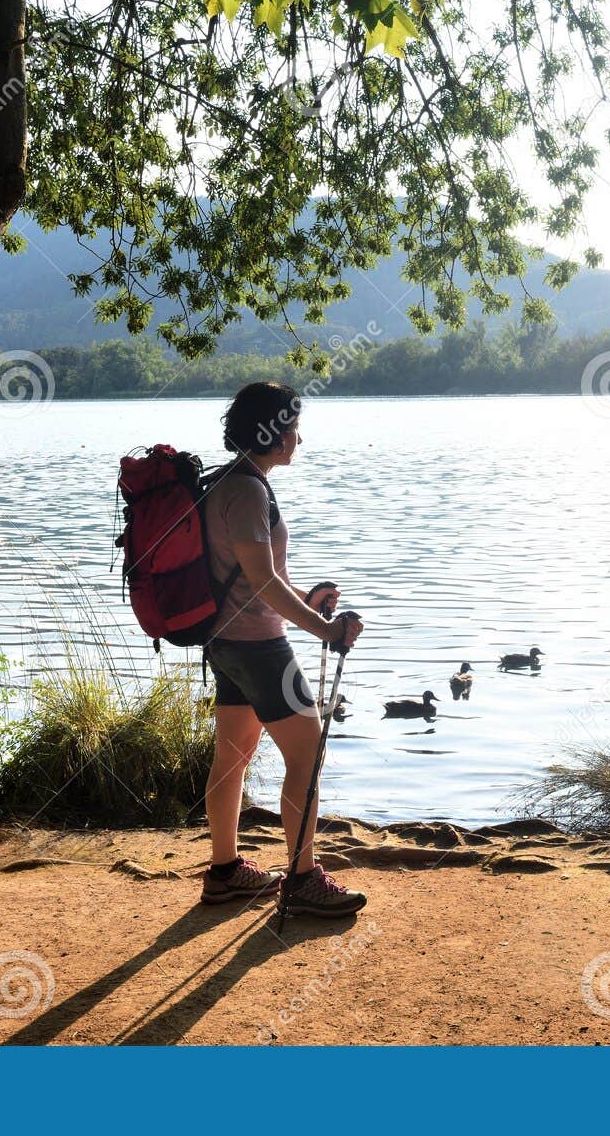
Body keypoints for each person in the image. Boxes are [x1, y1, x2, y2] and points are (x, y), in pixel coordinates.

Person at [199, 381, 367, 917]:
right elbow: (263, 584)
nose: (299, 437)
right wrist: (326, 631)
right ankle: (302, 877)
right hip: (258, 647)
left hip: (225, 642)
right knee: (307, 753)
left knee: (233, 758)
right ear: (271, 431)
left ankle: (225, 871)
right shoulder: (247, 490)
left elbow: (258, 580)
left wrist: (310, 603)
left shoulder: (225, 482)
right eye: (292, 427)